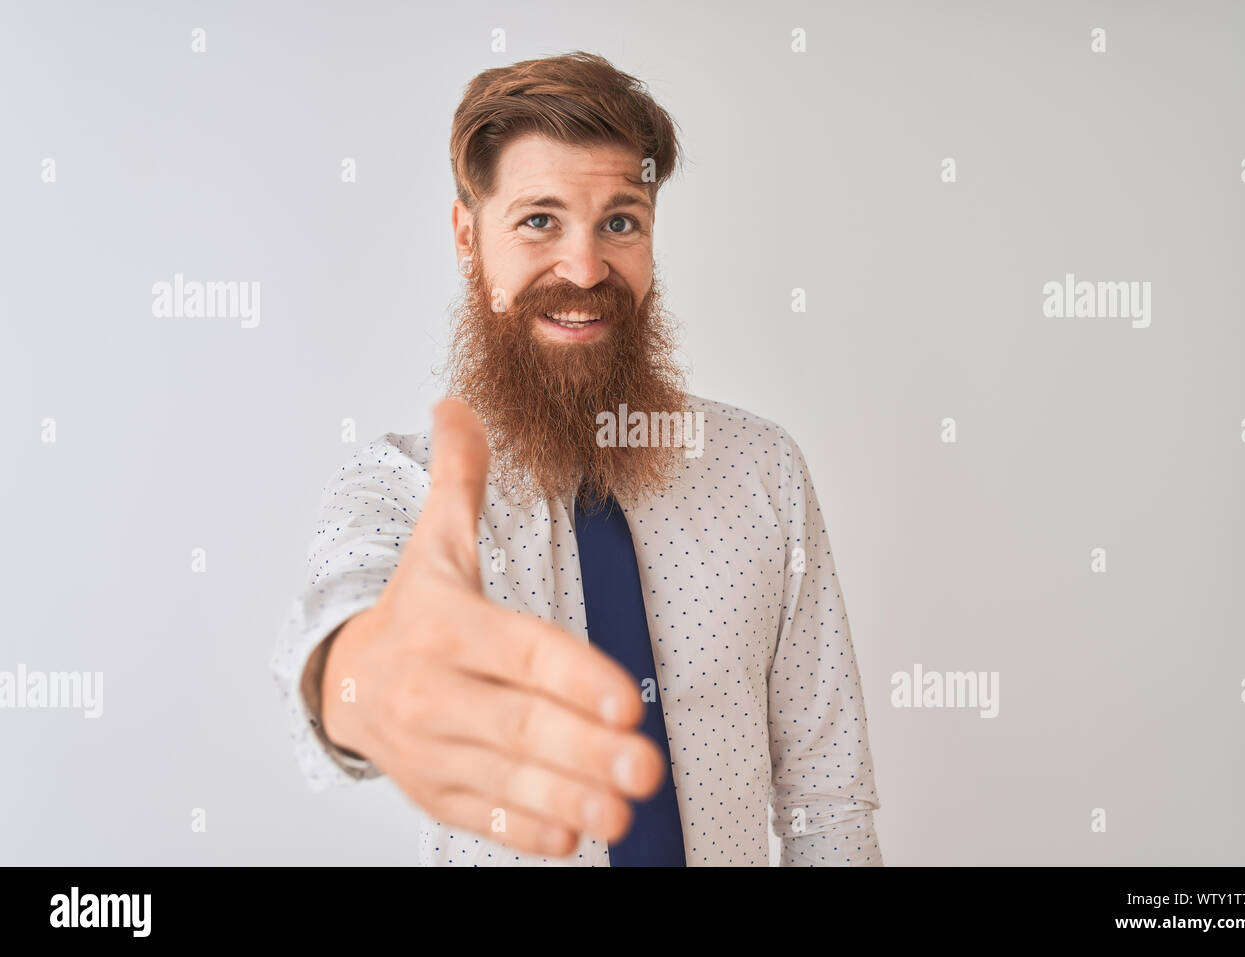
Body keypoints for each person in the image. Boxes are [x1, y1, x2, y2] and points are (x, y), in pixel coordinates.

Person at [270, 50, 883, 866]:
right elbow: (344, 629)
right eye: (539, 220)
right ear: (467, 236)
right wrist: (359, 679)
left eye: (619, 221)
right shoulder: (407, 486)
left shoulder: (762, 469)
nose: (585, 267)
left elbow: (826, 799)